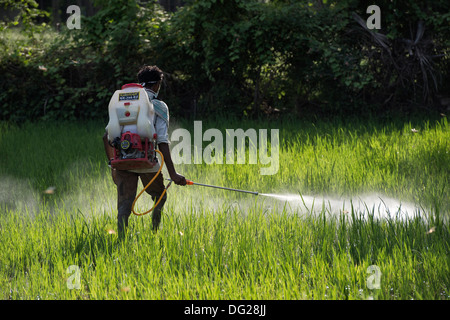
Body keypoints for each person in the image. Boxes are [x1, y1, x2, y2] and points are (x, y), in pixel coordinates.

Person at [103, 65, 186, 236]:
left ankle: (121, 238)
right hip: (147, 162)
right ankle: (154, 233)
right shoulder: (159, 106)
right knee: (159, 197)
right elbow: (162, 141)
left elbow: (107, 137)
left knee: (124, 204)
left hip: (122, 161)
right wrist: (174, 174)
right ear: (156, 85)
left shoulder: (121, 104)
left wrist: (113, 165)